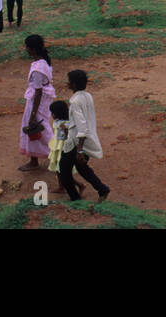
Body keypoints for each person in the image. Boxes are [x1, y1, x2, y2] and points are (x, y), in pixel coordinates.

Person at [61, 69, 109, 200]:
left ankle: (75, 199)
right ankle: (102, 189)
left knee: (64, 172)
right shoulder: (88, 96)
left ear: (74, 85)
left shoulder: (75, 102)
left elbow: (81, 127)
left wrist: (79, 150)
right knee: (82, 168)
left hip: (76, 143)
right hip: (86, 140)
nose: (67, 84)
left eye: (69, 82)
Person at [17, 35, 54, 171]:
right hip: (40, 101)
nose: (25, 49)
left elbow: (38, 92)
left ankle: (58, 154)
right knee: (39, 128)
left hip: (36, 103)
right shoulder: (44, 62)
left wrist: (33, 114)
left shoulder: (38, 69)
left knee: (40, 128)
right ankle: (35, 160)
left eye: (26, 47)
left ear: (32, 49)